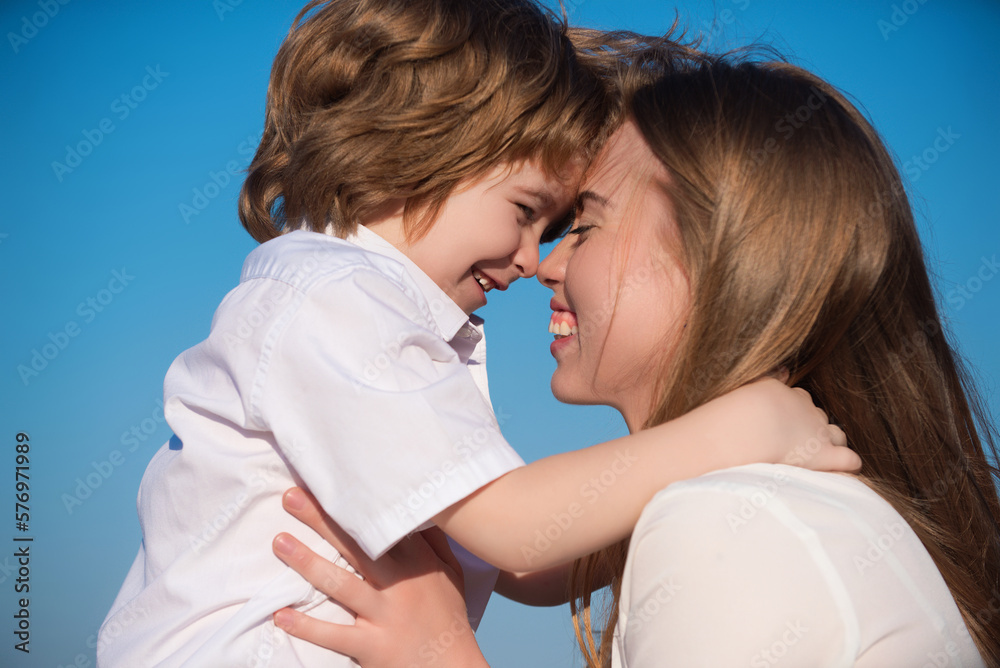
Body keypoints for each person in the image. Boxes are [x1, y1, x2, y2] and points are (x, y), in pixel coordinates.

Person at [97, 5, 856, 667]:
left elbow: (524, 565)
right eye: (526, 211)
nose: (533, 261)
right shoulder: (326, 297)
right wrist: (739, 430)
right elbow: (516, 532)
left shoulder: (392, 326)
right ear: (416, 150)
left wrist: (671, 499)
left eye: (558, 226)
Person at [267, 39, 1000, 668]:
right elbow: (527, 555)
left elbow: (517, 535)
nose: (544, 266)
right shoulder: (766, 512)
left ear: (718, 256)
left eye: (582, 227)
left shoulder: (733, 522)